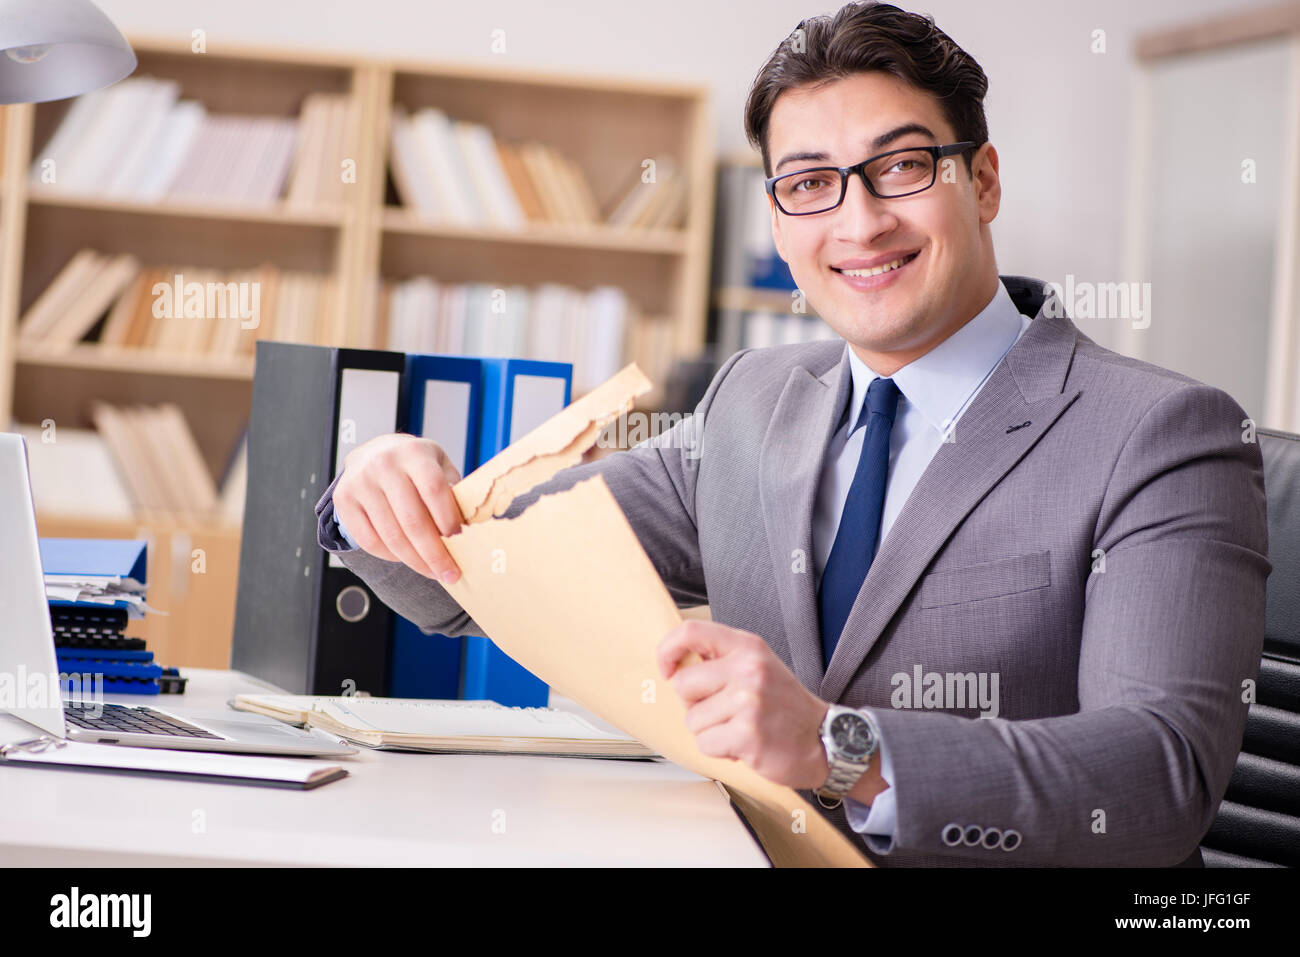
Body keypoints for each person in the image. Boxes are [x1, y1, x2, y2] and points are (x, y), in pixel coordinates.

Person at [315, 1, 1269, 866]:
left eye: (901, 166)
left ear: (981, 180)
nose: (859, 222)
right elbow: (481, 577)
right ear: (776, 220)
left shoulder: (1158, 432)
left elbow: (1160, 776)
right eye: (810, 183)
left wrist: (837, 746)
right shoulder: (753, 400)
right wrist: (379, 486)